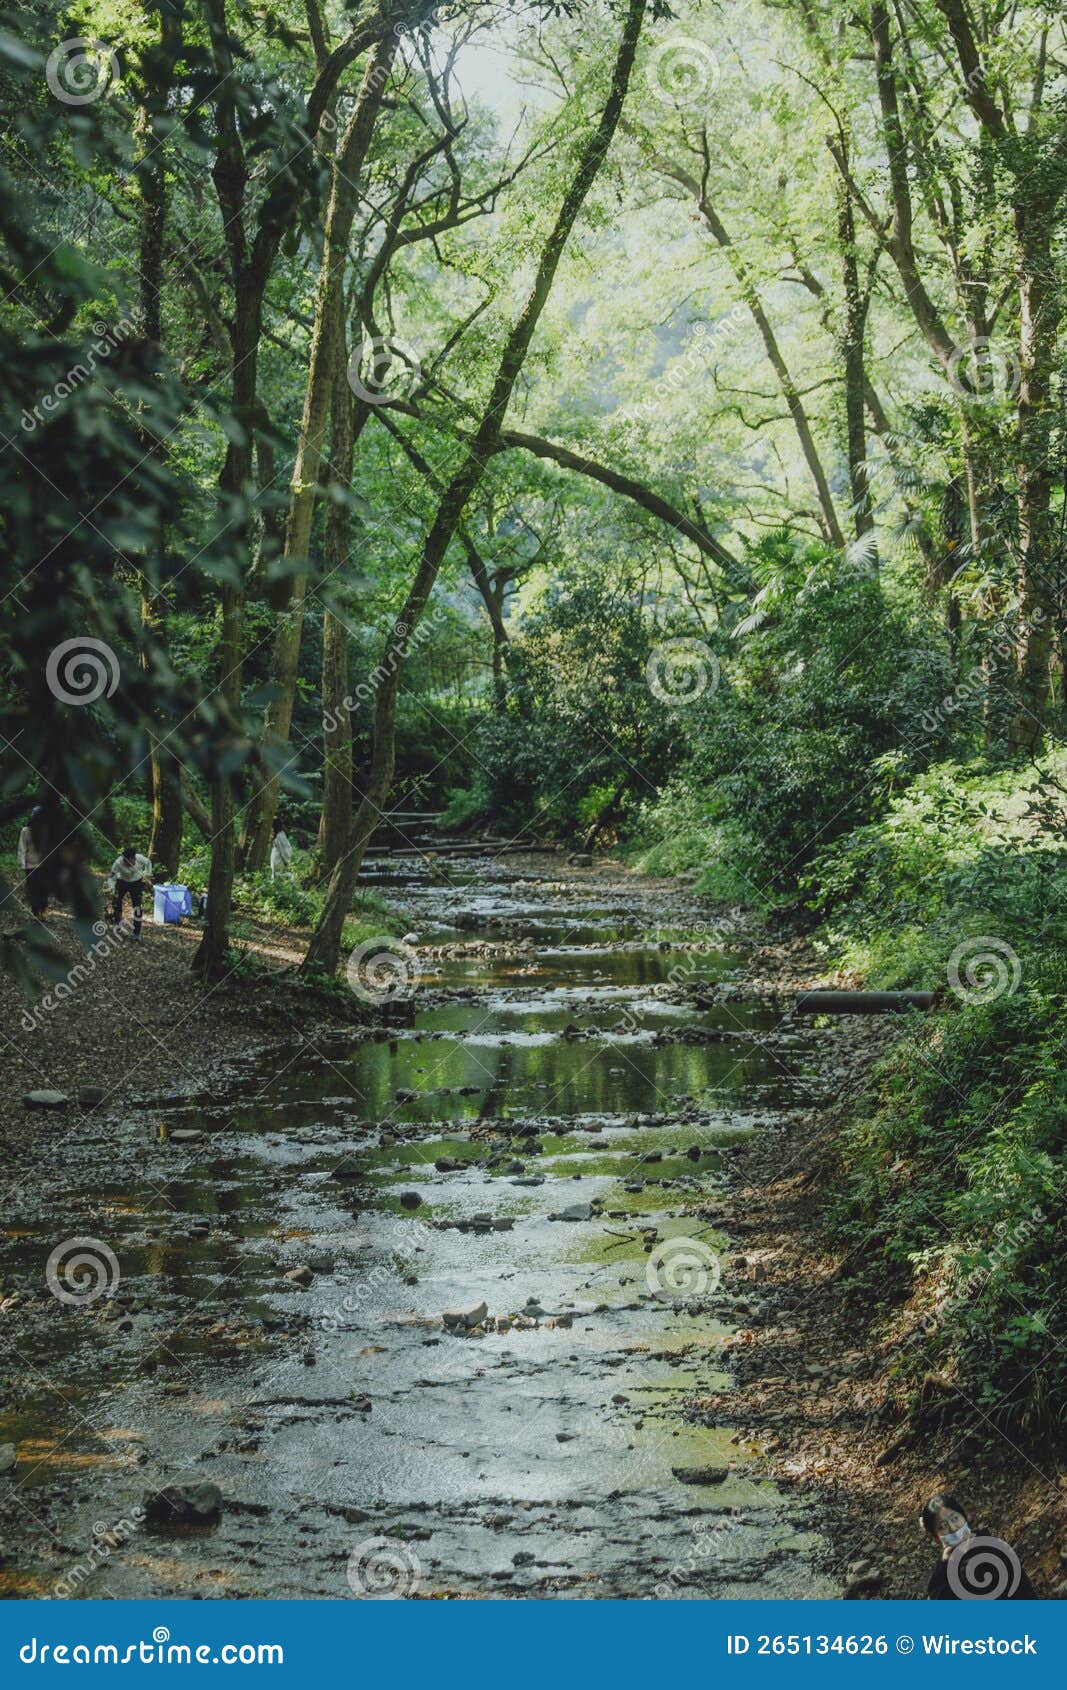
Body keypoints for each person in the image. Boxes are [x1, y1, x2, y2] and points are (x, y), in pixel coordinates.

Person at [921, 1492, 1037, 1599]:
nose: (953, 1527)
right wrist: (945, 1565)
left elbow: (1024, 1591)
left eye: (955, 1518)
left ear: (965, 1518)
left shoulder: (995, 1548)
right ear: (936, 1537)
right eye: (943, 1526)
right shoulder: (943, 1571)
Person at [108, 846, 153, 939]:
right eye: (132, 860)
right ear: (125, 859)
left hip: (136, 883)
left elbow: (148, 863)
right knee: (116, 902)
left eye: (134, 859)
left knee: (137, 906)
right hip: (122, 882)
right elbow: (111, 878)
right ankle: (118, 924)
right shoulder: (117, 863)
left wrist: (148, 876)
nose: (134, 861)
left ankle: (136, 933)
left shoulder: (139, 858)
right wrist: (112, 889)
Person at [17, 806, 49, 918]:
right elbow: (22, 849)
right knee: (33, 891)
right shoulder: (25, 831)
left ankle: (44, 910)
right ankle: (36, 913)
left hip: (44, 865)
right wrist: (22, 865)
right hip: (30, 866)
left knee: (44, 889)